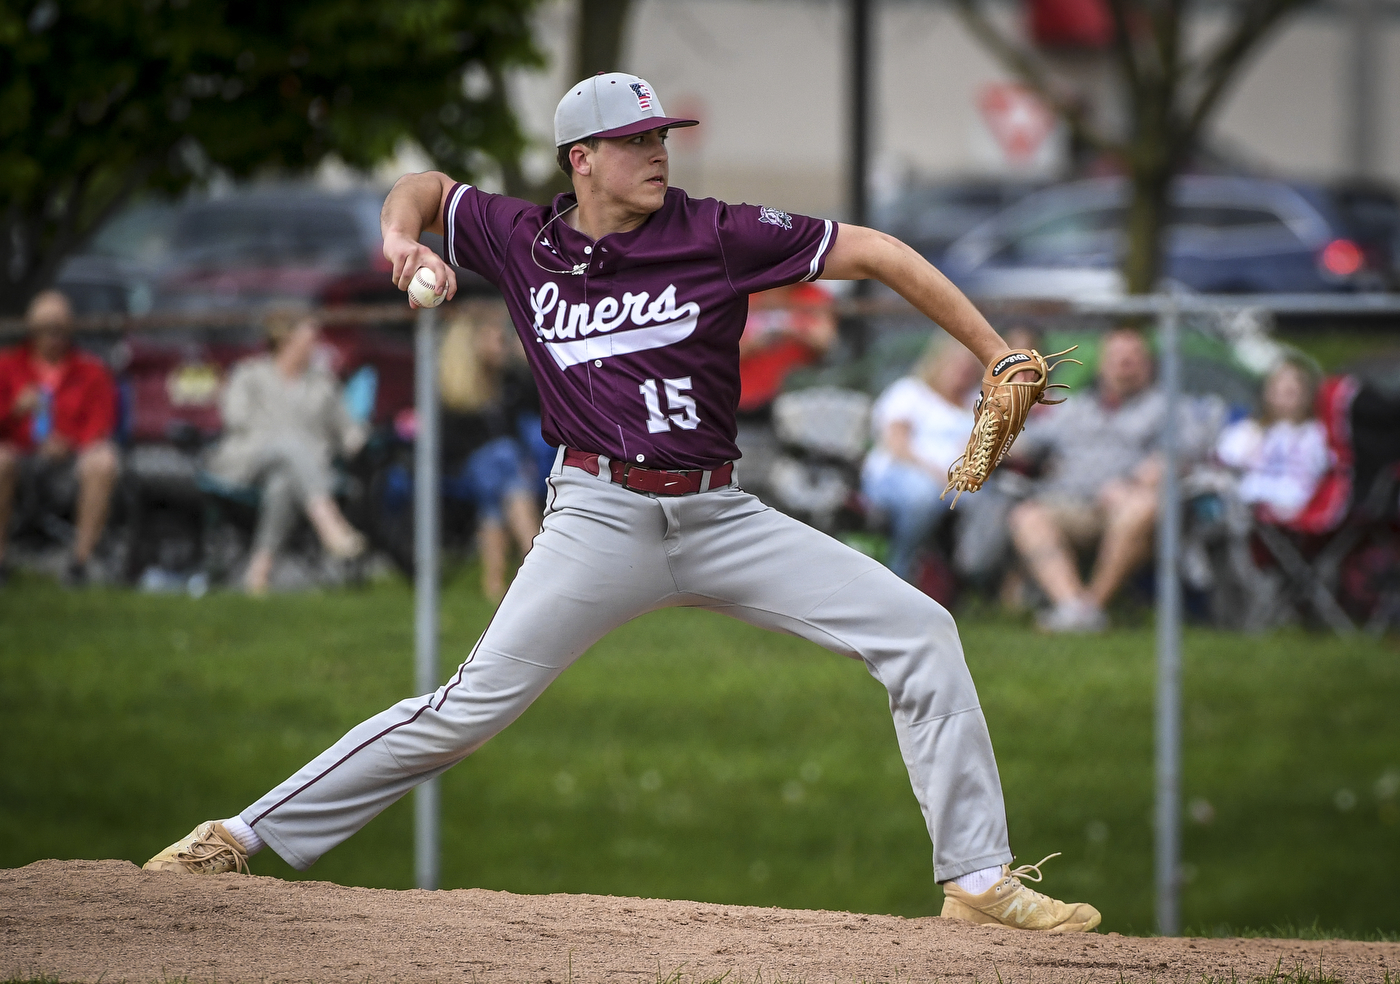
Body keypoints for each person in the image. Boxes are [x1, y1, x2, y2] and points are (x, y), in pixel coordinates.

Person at [144, 72, 1100, 933]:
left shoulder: (717, 231)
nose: (658, 153)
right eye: (637, 140)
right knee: (464, 709)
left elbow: (881, 252)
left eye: (662, 136)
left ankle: (976, 878)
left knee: (921, 629)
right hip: (595, 517)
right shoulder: (523, 239)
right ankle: (236, 835)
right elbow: (427, 189)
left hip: (721, 516)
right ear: (582, 159)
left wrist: (990, 350)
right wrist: (401, 240)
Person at [1006, 329, 1165, 633]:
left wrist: (1133, 483)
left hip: (1126, 505)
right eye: (1117, 358)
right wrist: (989, 443)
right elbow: (1024, 444)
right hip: (1072, 504)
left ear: (1148, 365)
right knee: (1027, 516)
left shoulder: (1164, 408)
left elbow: (1175, 455)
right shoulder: (1073, 407)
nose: (1124, 364)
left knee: (1141, 507)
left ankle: (1092, 606)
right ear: (1102, 364)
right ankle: (1072, 606)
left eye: (1132, 359)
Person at [204, 310, 367, 595]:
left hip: (299, 478)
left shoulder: (322, 383)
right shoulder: (250, 374)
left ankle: (258, 573)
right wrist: (281, 436)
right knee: (289, 445)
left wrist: (365, 441)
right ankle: (329, 523)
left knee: (283, 483)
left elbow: (348, 430)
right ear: (286, 338)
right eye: (309, 335)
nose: (315, 343)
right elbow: (235, 419)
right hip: (248, 465)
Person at [0, 290, 120, 585]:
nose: (53, 336)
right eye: (45, 329)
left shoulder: (91, 371)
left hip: (71, 458)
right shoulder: (7, 366)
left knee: (104, 460)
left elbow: (101, 422)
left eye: (60, 328)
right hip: (18, 454)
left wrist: (70, 443)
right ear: (32, 330)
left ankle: (79, 563)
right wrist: (15, 409)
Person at [438, 304, 542, 600]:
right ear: (473, 343)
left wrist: (529, 359)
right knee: (502, 458)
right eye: (498, 337)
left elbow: (541, 402)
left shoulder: (509, 381)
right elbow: (450, 449)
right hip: (460, 473)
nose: (505, 343)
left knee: (503, 476)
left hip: (505, 475)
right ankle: (533, 558)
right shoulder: (451, 391)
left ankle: (495, 582)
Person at [861, 333, 983, 582]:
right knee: (923, 495)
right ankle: (899, 568)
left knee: (986, 502)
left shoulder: (976, 405)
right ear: (938, 362)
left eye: (968, 368)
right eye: (956, 364)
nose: (961, 372)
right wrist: (935, 473)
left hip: (954, 483)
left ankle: (962, 579)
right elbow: (896, 443)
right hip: (899, 475)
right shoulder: (910, 392)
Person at [1215, 359, 1329, 523]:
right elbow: (1225, 459)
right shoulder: (1248, 430)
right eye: (1276, 391)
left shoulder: (1317, 433)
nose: (1281, 399)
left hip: (1300, 506)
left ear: (1307, 395)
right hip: (1251, 505)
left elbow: (1323, 469)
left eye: (1289, 392)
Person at [737, 281, 837, 415]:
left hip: (791, 399)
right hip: (740, 395)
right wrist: (755, 342)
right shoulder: (742, 293)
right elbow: (719, 350)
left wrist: (793, 328)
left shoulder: (812, 295)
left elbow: (825, 341)